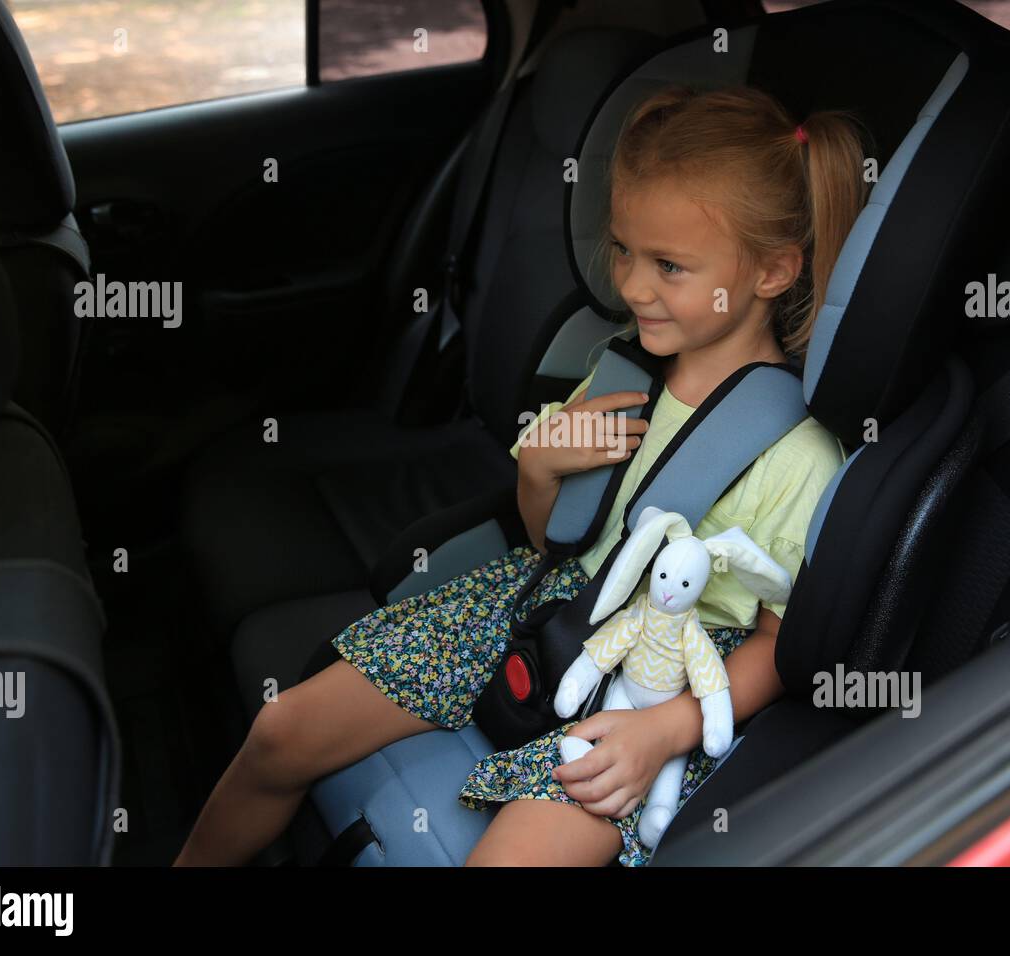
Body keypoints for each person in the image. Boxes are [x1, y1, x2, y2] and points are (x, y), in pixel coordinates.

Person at [174, 84, 868, 867]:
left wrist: (664, 731)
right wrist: (540, 471)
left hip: (659, 687)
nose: (633, 287)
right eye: (624, 251)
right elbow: (553, 539)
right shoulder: (621, 375)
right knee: (280, 731)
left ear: (773, 272)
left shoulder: (798, 456)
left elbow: (782, 641)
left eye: (669, 266)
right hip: (538, 606)